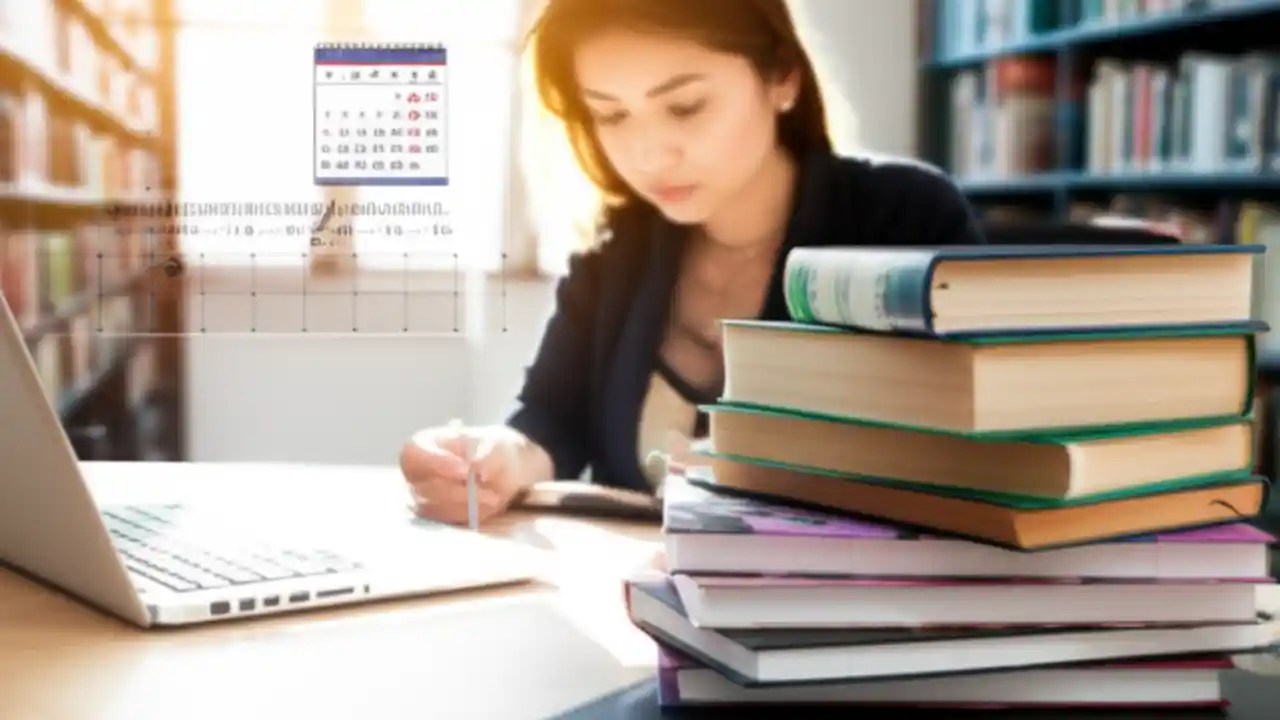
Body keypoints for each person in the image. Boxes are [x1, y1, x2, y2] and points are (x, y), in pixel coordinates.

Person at [400, 0, 985, 526]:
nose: (649, 153)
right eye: (611, 115)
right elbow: (550, 418)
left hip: (859, 620)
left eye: (685, 106)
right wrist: (490, 460)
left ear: (783, 76)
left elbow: (974, 452)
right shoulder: (615, 253)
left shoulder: (905, 221)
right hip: (643, 616)